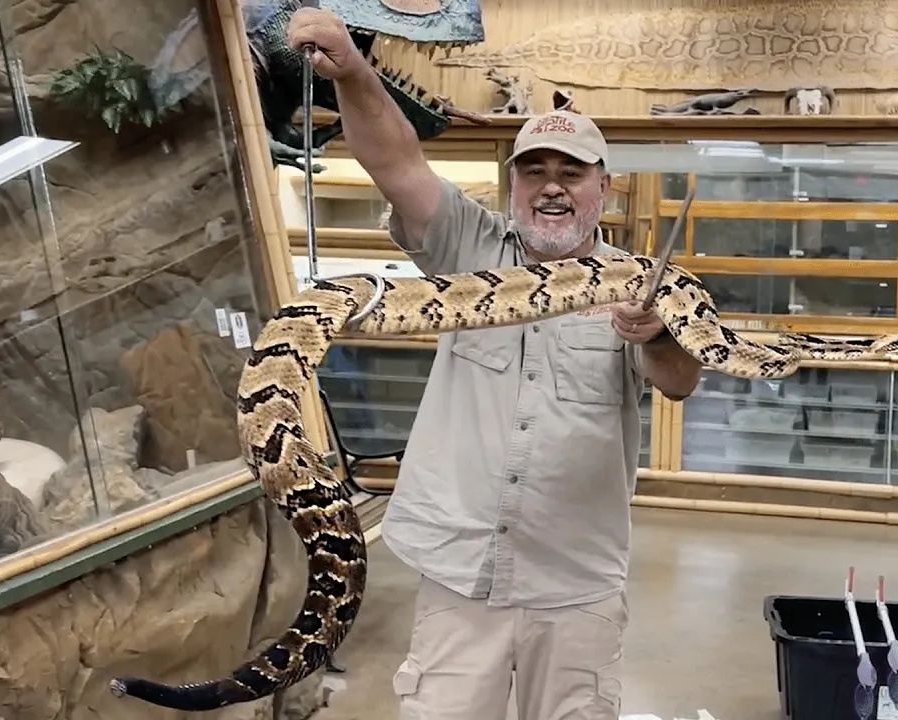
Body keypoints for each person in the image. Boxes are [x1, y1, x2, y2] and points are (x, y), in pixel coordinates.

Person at [287, 9, 703, 720]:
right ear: (512, 185)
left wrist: (657, 335)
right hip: (459, 569)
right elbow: (396, 162)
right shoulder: (468, 246)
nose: (550, 186)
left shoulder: (642, 281)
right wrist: (355, 73)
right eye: (533, 170)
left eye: (570, 172)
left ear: (601, 188)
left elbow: (679, 380)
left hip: (576, 583)